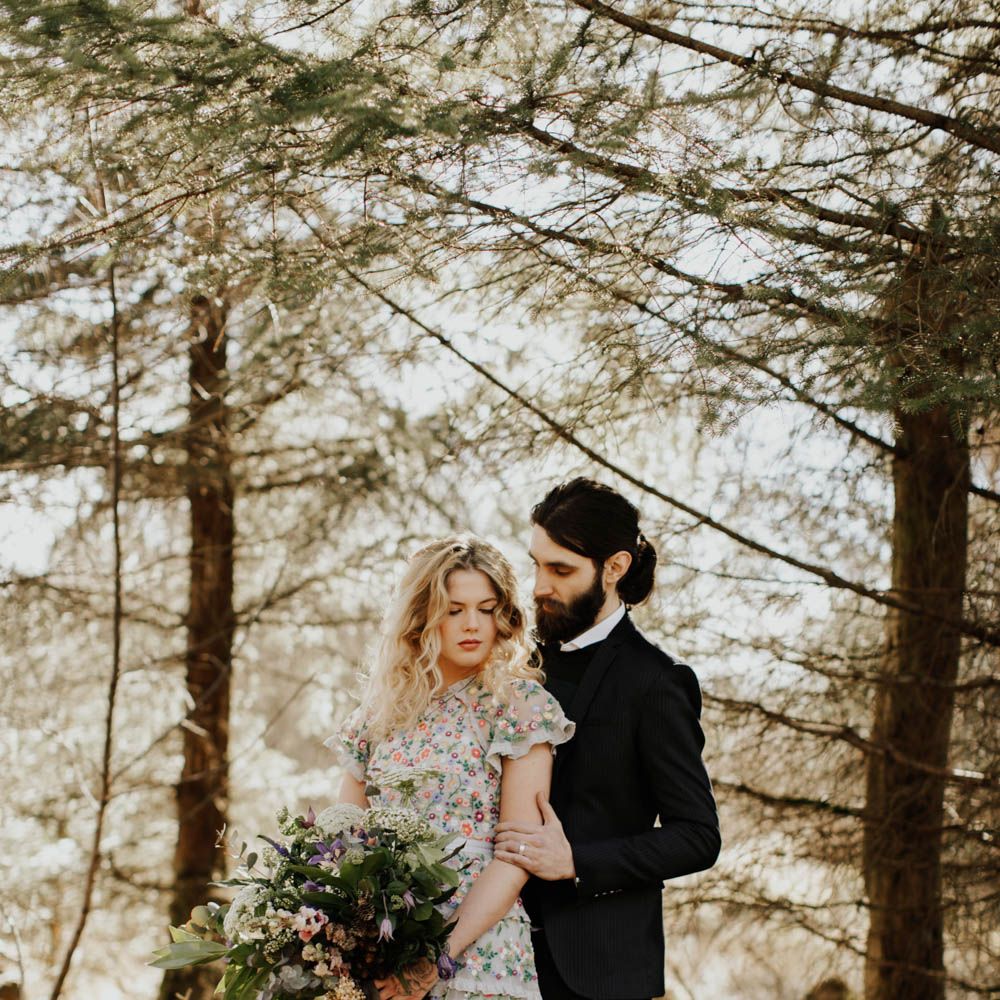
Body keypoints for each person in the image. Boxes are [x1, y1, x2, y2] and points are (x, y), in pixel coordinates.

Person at [494, 478, 720, 1000]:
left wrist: (577, 862)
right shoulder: (511, 664)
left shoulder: (658, 681)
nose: (539, 586)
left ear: (614, 568)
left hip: (600, 972)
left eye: (561, 570)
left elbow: (698, 835)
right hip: (494, 955)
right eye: (537, 564)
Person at [330, 536, 575, 1000]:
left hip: (483, 950)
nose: (472, 625)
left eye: (486, 609)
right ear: (423, 616)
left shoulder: (519, 706)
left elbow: (516, 853)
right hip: (386, 949)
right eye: (454, 609)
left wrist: (436, 957)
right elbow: (345, 845)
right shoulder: (376, 716)